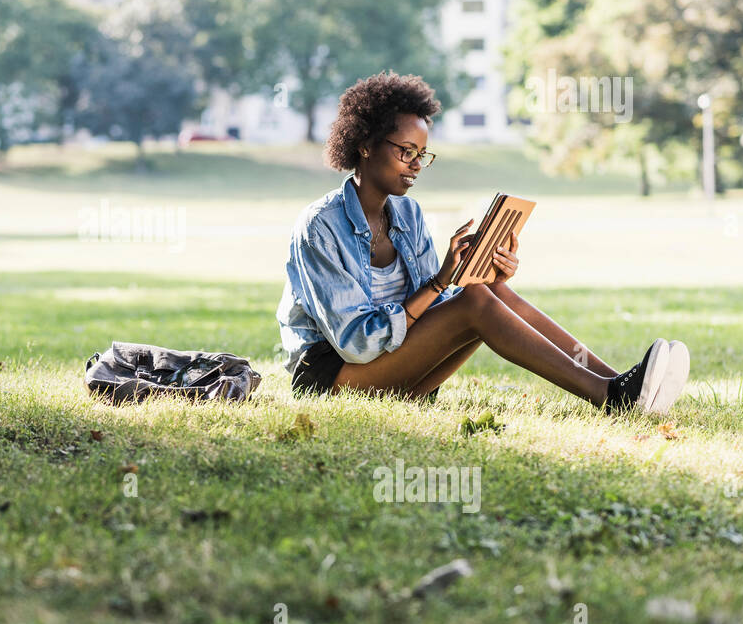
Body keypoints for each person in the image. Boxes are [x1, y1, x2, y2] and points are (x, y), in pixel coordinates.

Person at [276, 71, 690, 414]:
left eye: (423, 154)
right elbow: (358, 344)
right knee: (473, 301)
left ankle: (619, 383)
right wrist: (441, 284)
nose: (417, 165)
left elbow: (432, 313)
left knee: (486, 290)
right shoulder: (320, 227)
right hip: (334, 380)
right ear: (364, 146)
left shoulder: (407, 214)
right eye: (406, 151)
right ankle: (611, 399)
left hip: (397, 371)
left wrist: (477, 274)